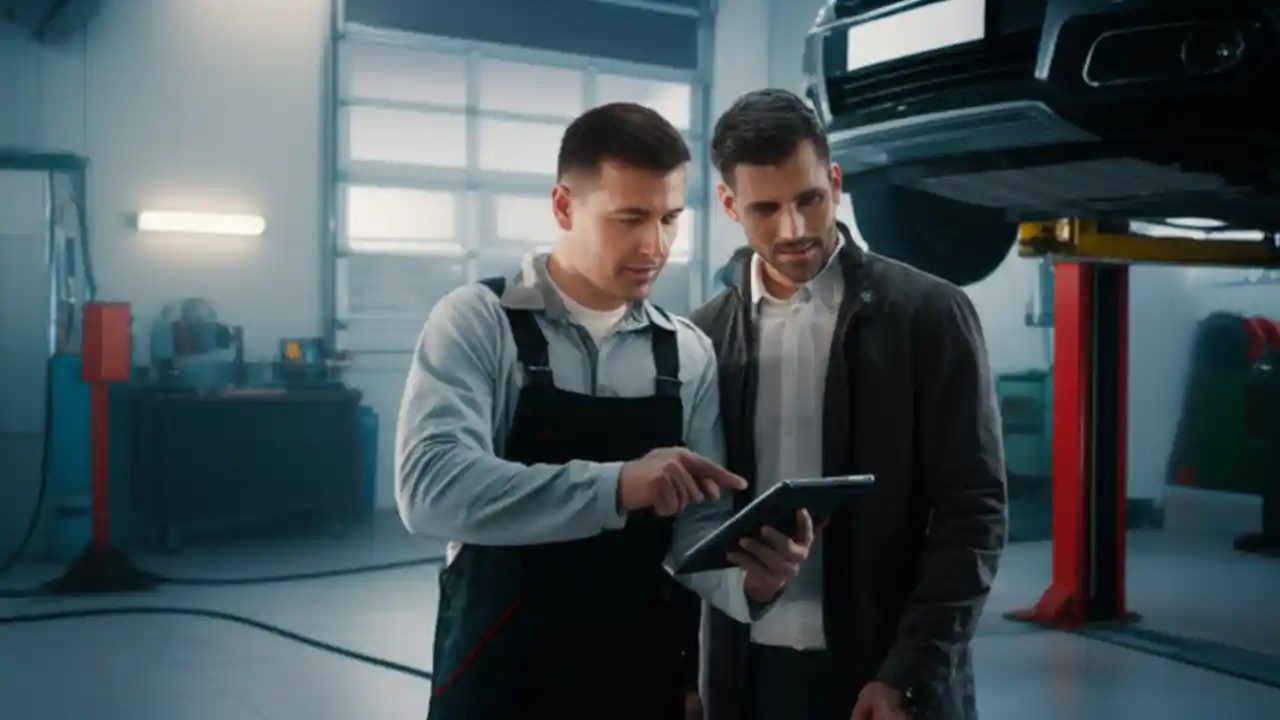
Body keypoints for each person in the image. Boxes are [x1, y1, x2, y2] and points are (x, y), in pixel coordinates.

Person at [395, 102, 817, 720]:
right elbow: (430, 489)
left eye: (670, 218)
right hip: (498, 680)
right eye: (630, 218)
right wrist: (619, 485)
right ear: (564, 206)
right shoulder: (479, 323)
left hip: (637, 681)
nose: (655, 245)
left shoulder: (687, 353)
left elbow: (697, 534)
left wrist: (754, 582)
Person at [690, 89, 1008, 720]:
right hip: (748, 679)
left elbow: (973, 511)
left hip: (884, 679)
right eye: (766, 208)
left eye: (810, 199)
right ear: (729, 205)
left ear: (835, 181)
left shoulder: (930, 314)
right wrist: (685, 674)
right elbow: (686, 528)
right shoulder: (699, 338)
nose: (795, 230)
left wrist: (909, 673)